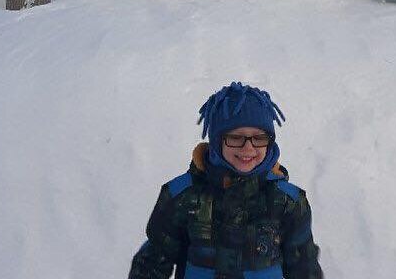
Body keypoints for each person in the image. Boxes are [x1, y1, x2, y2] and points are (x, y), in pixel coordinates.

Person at [129, 83, 323, 279]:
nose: (248, 149)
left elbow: (304, 268)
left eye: (259, 138)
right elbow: (153, 261)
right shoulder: (182, 195)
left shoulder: (288, 202)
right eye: (236, 138)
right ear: (216, 140)